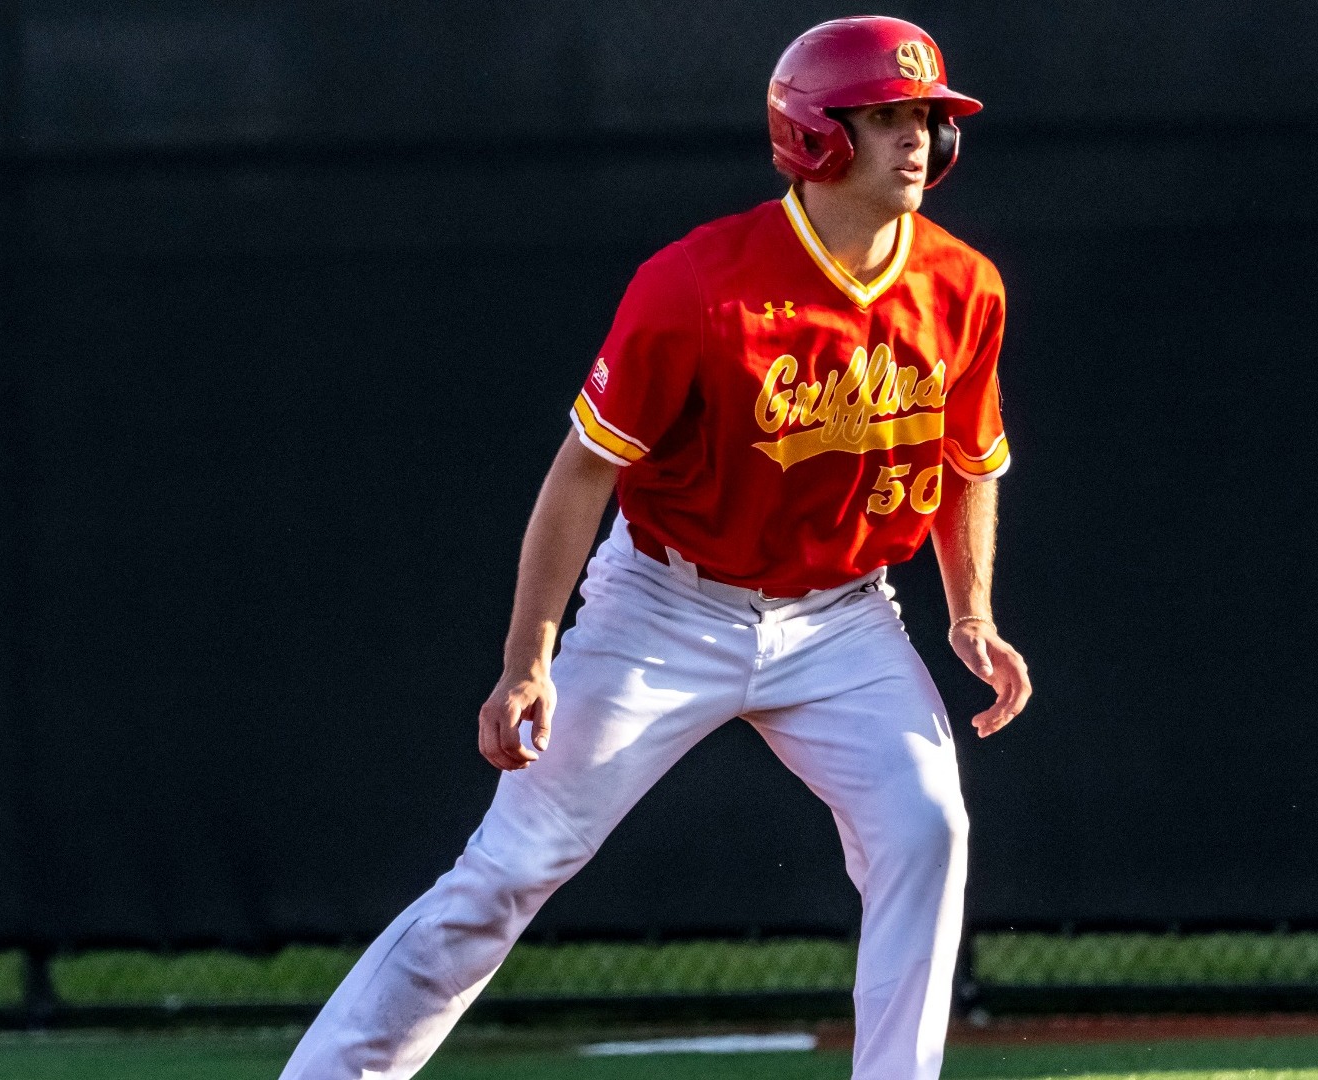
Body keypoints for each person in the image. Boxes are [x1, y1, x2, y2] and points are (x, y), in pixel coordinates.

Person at [279, 16, 1031, 1080]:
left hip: (844, 618)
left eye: (928, 117)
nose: (917, 138)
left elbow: (969, 462)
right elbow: (582, 473)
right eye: (884, 116)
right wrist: (528, 659)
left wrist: (972, 613)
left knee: (927, 828)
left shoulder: (964, 286)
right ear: (815, 134)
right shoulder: (699, 284)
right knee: (511, 868)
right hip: (668, 608)